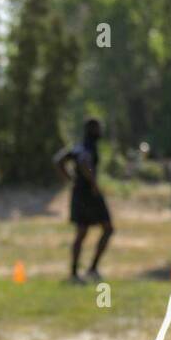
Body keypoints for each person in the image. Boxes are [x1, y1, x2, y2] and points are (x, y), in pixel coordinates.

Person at [55, 118, 114, 282]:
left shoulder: (77, 146)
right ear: (93, 130)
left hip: (78, 193)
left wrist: (70, 178)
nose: (101, 131)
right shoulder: (89, 147)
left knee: (81, 232)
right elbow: (84, 162)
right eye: (99, 128)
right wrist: (93, 182)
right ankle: (92, 269)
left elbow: (58, 161)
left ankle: (75, 273)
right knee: (107, 229)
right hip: (90, 193)